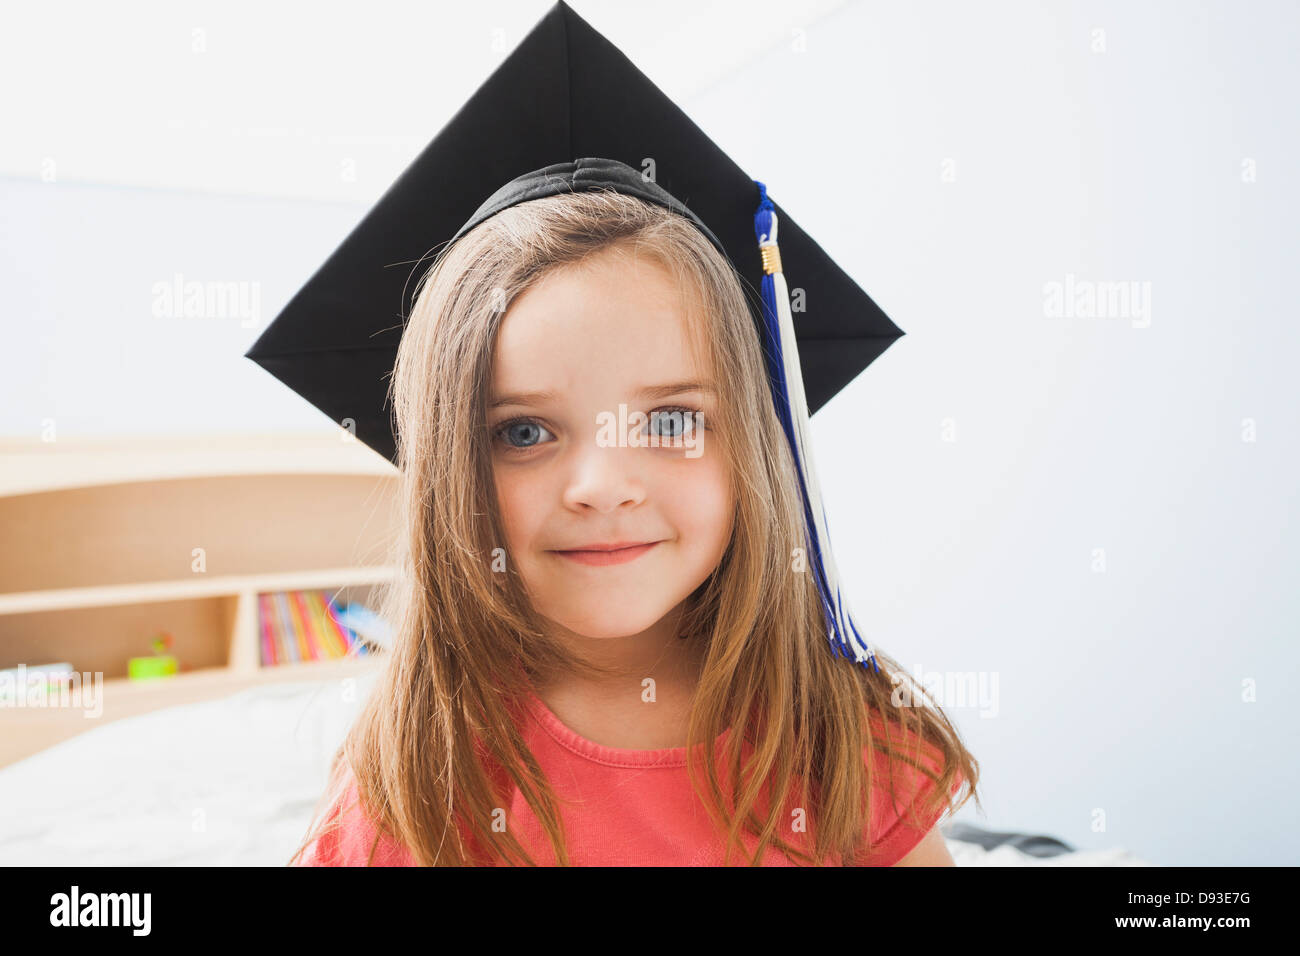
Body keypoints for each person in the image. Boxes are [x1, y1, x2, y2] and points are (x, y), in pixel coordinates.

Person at [285, 183, 979, 866]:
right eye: (524, 432)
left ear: (754, 445)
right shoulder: (417, 779)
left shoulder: (835, 734)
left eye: (673, 420)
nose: (602, 488)